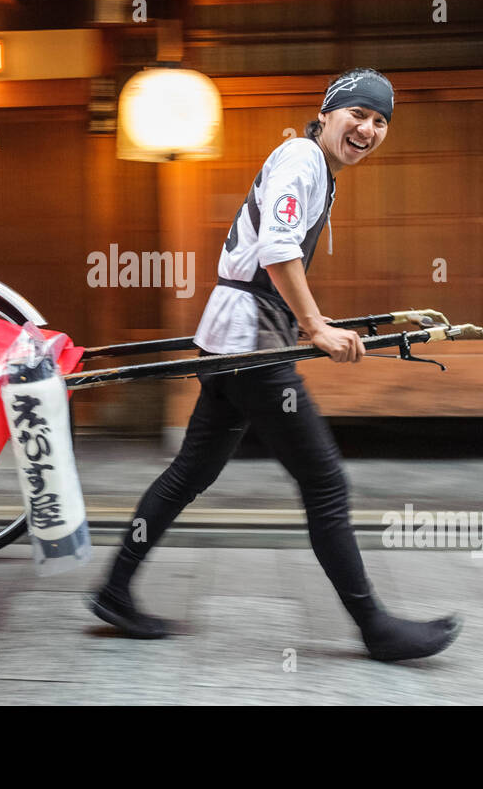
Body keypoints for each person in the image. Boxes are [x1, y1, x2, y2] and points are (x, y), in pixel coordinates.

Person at [89, 68, 463, 662]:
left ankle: (114, 589)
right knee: (324, 482)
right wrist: (315, 328)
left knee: (190, 473)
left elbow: (274, 257)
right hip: (249, 343)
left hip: (238, 333)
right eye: (357, 114)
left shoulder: (317, 168)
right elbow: (278, 247)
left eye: (380, 121)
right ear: (326, 115)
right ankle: (375, 628)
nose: (367, 128)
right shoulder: (301, 157)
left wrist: (317, 322)